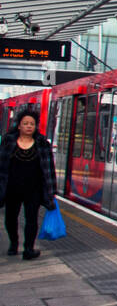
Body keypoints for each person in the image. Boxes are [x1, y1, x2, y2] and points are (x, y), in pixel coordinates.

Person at [0, 107, 57, 260]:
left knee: (31, 219)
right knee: (10, 218)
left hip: (34, 189)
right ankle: (13, 243)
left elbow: (49, 169)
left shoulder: (42, 143)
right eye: (25, 123)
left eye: (32, 123)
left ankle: (28, 249)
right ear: (19, 126)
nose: (29, 126)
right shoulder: (8, 141)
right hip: (12, 188)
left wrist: (51, 192)